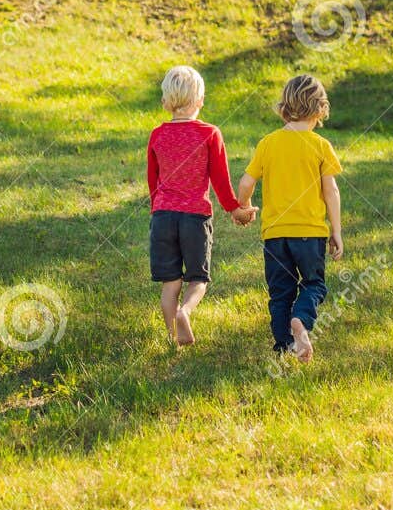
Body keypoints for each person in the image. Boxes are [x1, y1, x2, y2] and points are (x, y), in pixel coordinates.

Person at [235, 74, 343, 362]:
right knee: (314, 284)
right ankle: (301, 321)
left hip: (275, 234)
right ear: (321, 108)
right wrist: (336, 230)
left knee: (280, 292)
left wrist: (244, 206)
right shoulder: (321, 146)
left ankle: (285, 345)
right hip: (310, 233)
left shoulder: (268, 143)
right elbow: (331, 191)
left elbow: (246, 183)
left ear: (284, 106)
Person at [147, 66, 256, 346]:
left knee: (170, 284)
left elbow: (152, 180)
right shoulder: (210, 133)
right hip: (194, 217)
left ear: (166, 101)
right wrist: (236, 210)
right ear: (200, 101)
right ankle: (186, 311)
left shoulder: (157, 135)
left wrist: (156, 211)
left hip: (163, 217)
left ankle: (173, 340)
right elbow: (220, 182)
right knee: (198, 279)